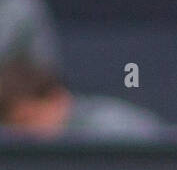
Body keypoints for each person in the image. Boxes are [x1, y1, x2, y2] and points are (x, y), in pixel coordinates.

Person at [0, 59, 162, 138]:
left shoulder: (111, 127)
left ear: (57, 99)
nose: (28, 133)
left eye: (29, 119)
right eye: (16, 127)